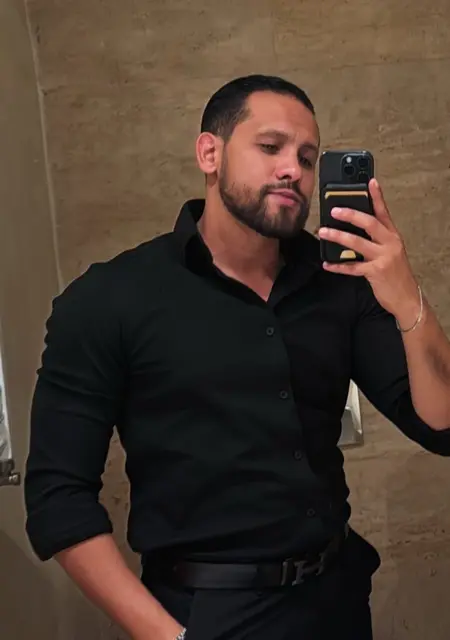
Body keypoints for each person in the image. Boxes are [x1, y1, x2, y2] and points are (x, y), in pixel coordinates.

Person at [24, 74, 450, 640]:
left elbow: (441, 423)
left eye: (307, 157)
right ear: (210, 153)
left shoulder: (341, 285)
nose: (292, 170)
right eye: (270, 147)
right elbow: (57, 499)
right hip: (202, 614)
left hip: (337, 601)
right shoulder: (110, 300)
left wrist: (407, 298)